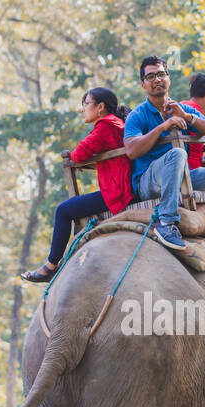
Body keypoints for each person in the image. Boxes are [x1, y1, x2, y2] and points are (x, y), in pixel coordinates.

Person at [122, 55, 205, 266]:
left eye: (161, 74)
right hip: (149, 183)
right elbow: (131, 150)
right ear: (143, 84)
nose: (157, 79)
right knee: (177, 154)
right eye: (150, 76)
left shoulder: (181, 108)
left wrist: (187, 116)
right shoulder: (138, 115)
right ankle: (167, 222)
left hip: (183, 177)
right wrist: (163, 127)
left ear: (169, 79)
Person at [21, 88, 132, 283]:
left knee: (63, 210)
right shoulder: (118, 124)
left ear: (100, 107)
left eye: (86, 104)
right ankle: (71, 258)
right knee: (75, 209)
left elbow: (79, 154)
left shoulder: (106, 126)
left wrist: (75, 158)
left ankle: (50, 266)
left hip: (117, 192)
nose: (82, 109)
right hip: (123, 186)